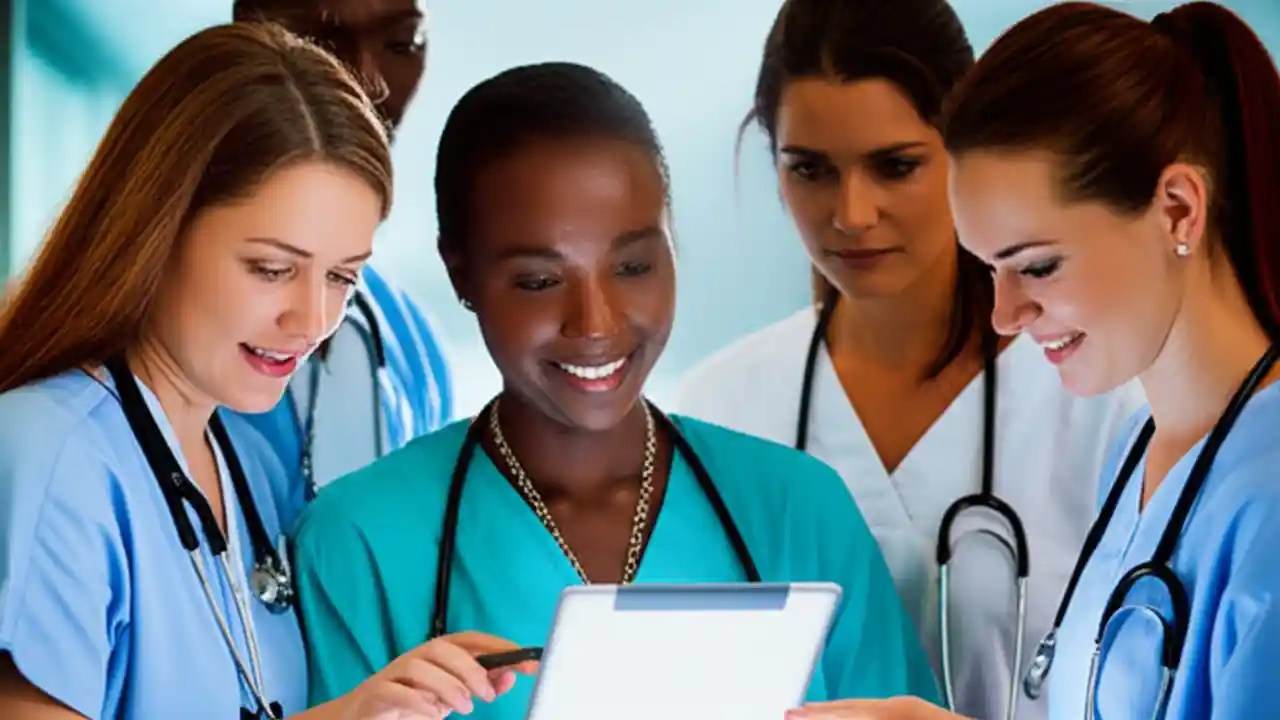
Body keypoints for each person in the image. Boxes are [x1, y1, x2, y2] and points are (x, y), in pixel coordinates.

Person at [290, 61, 942, 719]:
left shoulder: (799, 508)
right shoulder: (360, 538)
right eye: (540, 281)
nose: (596, 324)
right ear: (460, 273)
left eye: (633, 266)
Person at [0, 22, 526, 719]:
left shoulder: (246, 458)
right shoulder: (48, 453)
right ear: (156, 230)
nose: (311, 321)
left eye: (342, 277)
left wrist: (387, 701)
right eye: (272, 269)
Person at [790, 2, 1280, 718]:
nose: (1004, 316)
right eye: (989, 269)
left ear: (1178, 209)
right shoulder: (1134, 457)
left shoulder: (1268, 493)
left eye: (1039, 266)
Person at [676, 1, 1144, 718]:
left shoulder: (1103, 405)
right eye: (810, 170)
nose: (852, 214)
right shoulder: (716, 410)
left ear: (968, 153)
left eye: (895, 167)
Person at [232, 0, 453, 498]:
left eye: (401, 44)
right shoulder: (111, 387)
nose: (367, 83)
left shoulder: (413, 345)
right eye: (321, 45)